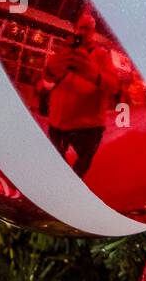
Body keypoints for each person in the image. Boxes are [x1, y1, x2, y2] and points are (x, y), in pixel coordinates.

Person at [42, 13, 120, 180]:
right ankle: (62, 181)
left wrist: (95, 75)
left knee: (83, 161)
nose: (83, 32)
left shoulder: (102, 55)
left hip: (88, 127)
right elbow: (46, 84)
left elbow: (114, 87)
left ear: (93, 32)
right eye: (81, 28)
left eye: (88, 29)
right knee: (56, 158)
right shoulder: (62, 52)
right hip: (57, 123)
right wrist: (50, 70)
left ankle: (74, 184)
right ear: (75, 29)